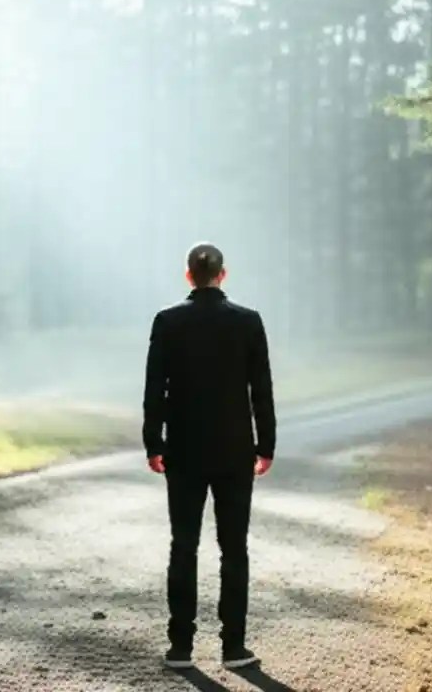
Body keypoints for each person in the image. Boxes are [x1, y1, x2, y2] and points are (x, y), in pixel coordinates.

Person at [142, 242, 276, 671]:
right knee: (233, 548)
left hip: (182, 450)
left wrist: (154, 444)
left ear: (188, 276)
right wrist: (266, 445)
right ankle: (233, 647)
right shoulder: (248, 322)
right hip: (235, 451)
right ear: (223, 274)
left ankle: (181, 646)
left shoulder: (167, 322)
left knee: (183, 545)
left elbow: (154, 391)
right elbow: (261, 391)